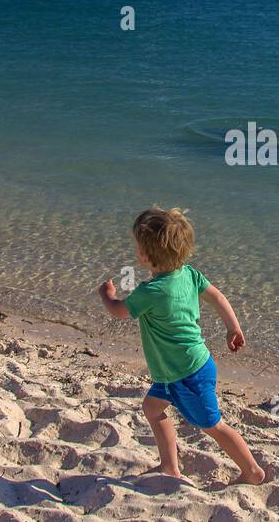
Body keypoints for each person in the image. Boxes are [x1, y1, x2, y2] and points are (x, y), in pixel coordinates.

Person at [96, 207, 265, 485]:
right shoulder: (189, 274)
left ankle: (252, 471)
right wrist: (232, 327)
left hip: (188, 374)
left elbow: (118, 311)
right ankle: (169, 466)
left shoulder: (149, 292)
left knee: (213, 425)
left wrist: (107, 295)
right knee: (152, 409)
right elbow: (217, 297)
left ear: (145, 256)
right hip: (174, 372)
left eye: (138, 246)